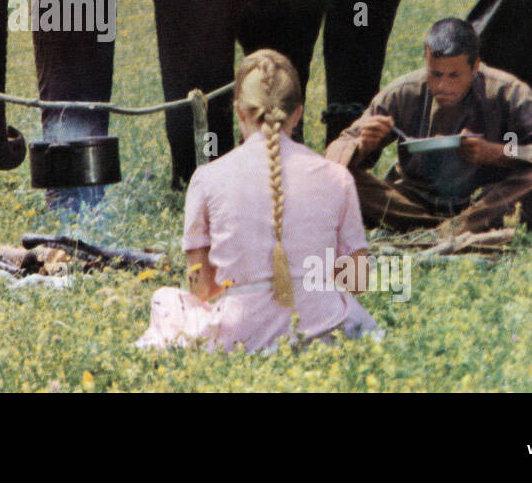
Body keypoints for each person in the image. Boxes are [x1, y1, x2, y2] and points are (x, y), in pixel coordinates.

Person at [137, 49, 381, 353]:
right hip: (324, 326)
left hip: (239, 335)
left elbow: (200, 288)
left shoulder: (206, 178)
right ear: (298, 113)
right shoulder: (337, 177)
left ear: (239, 112)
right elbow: (356, 281)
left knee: (165, 300)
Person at [325, 18, 532, 234]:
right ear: (426, 62)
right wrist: (363, 145)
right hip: (411, 202)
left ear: (475, 67)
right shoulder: (404, 91)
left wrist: (497, 153)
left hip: (484, 200)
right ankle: (446, 231)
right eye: (435, 74)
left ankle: (440, 231)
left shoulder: (506, 91)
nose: (443, 86)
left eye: (454, 75)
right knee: (340, 180)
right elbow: (336, 153)